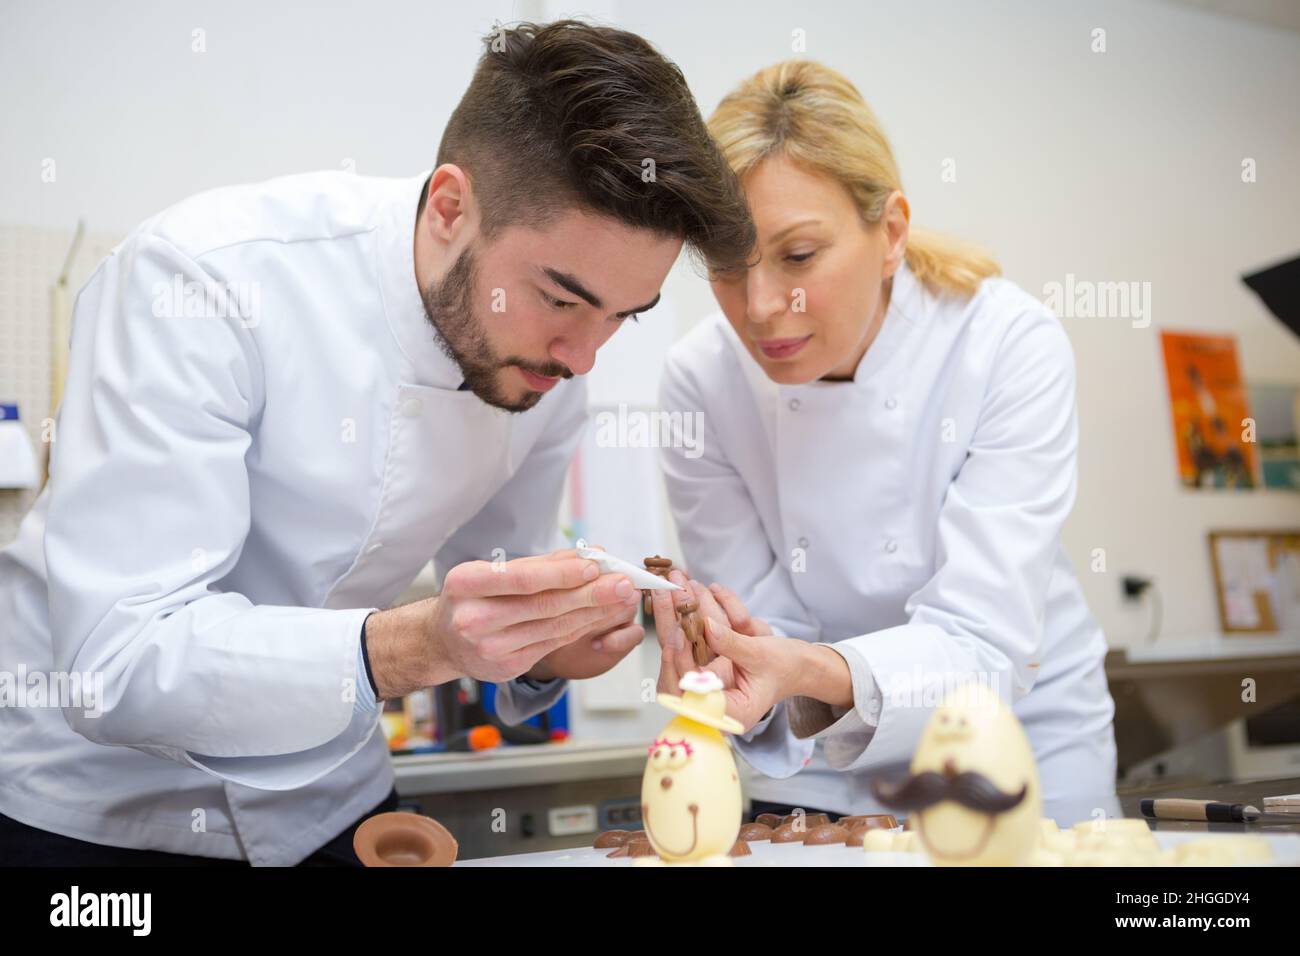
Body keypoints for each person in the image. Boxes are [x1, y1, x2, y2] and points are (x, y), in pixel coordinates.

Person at [0, 20, 754, 866]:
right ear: (449, 208)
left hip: (334, 799)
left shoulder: (545, 366)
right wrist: (422, 644)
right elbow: (117, 664)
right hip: (98, 808)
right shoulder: (203, 281)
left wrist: (547, 645)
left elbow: (499, 578)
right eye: (561, 299)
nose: (585, 358)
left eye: (625, 316)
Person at [650, 60, 1117, 822]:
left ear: (891, 231)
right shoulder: (700, 382)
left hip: (1012, 738)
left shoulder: (1002, 343)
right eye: (728, 266)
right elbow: (761, 626)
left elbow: (979, 637)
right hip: (812, 762)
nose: (763, 306)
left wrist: (797, 666)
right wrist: (731, 667)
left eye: (799, 256)